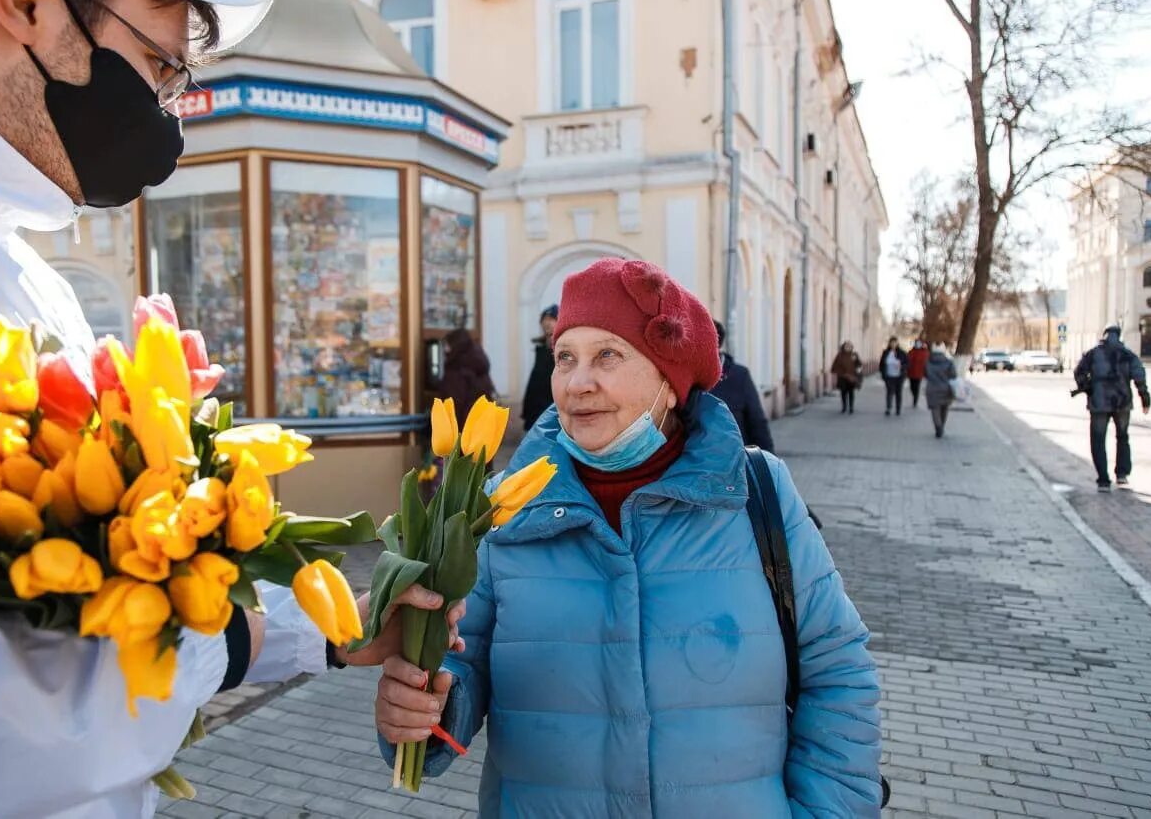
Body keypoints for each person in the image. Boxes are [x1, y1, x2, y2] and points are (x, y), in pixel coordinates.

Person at [0, 0, 459, 815]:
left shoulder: (10, 255)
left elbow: (92, 604)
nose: (165, 112)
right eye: (158, 64)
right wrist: (223, 641)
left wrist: (337, 626)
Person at [373, 259, 882, 816]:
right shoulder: (500, 507)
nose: (576, 381)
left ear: (669, 381)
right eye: (564, 357)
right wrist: (425, 706)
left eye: (607, 356)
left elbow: (837, 667)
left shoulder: (756, 491)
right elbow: (462, 662)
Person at [1074, 325, 1150, 492]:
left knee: (1098, 439)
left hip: (1099, 402)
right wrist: (1145, 398)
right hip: (1122, 403)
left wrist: (1086, 387)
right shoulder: (1128, 355)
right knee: (1122, 437)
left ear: (1104, 336)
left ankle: (1103, 480)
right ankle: (1122, 474)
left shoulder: (1093, 354)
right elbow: (1139, 376)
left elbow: (1079, 371)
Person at [708, 320, 775, 451]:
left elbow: (757, 422)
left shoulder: (739, 375)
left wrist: (768, 464)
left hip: (735, 461)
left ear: (717, 344)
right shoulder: (689, 377)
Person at [436, 328, 497, 428]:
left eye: (447, 345)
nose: (445, 349)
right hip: (481, 425)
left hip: (462, 427)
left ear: (455, 345)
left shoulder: (457, 368)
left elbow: (454, 403)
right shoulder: (478, 365)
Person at [520, 305, 557, 432]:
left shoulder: (562, 350)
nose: (547, 323)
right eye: (544, 319)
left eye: (552, 319)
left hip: (552, 411)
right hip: (535, 410)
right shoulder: (540, 348)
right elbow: (535, 382)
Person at [925, 343, 958, 438]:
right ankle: (942, 426)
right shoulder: (949, 362)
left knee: (935, 409)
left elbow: (925, 374)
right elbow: (954, 375)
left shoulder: (928, 362)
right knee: (944, 408)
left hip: (932, 388)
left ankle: (938, 427)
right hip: (946, 388)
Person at [831, 341, 863, 414]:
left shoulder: (854, 355)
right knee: (843, 393)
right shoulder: (840, 355)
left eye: (849, 347)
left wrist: (858, 369)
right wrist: (840, 372)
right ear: (843, 347)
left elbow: (859, 365)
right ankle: (844, 407)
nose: (848, 348)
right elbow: (835, 365)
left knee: (851, 392)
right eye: (846, 346)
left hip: (852, 377)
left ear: (852, 347)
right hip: (842, 377)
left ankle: (851, 407)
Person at [879, 336, 908, 416]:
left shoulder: (902, 353)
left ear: (897, 343)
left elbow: (907, 364)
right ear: (889, 343)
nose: (893, 344)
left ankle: (898, 409)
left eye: (895, 342)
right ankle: (888, 408)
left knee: (898, 393)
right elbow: (881, 364)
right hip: (889, 376)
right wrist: (883, 374)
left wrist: (901, 366)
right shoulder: (886, 352)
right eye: (892, 342)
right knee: (889, 392)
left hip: (899, 376)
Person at [906, 340, 930, 408]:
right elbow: (907, 360)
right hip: (911, 373)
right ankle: (914, 396)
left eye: (919, 343)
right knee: (911, 387)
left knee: (917, 387)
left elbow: (927, 363)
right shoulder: (911, 351)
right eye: (917, 343)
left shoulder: (925, 352)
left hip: (920, 373)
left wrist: (926, 372)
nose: (918, 345)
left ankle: (915, 400)